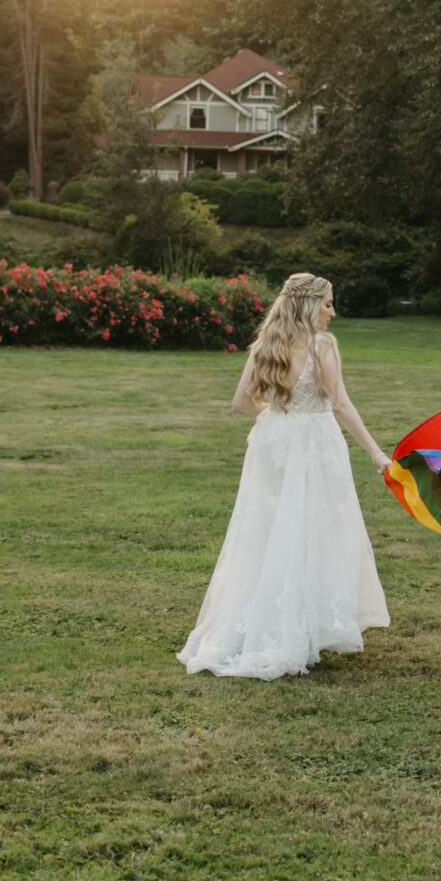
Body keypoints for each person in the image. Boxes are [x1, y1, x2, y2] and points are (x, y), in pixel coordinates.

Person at [178, 272, 393, 680]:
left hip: (273, 442)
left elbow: (242, 404)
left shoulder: (266, 343)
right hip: (314, 443)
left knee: (268, 531)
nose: (333, 312)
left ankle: (266, 624)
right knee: (312, 530)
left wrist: (279, 420)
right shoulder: (321, 344)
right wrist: (377, 453)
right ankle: (298, 628)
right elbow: (341, 404)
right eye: (328, 303)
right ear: (310, 305)